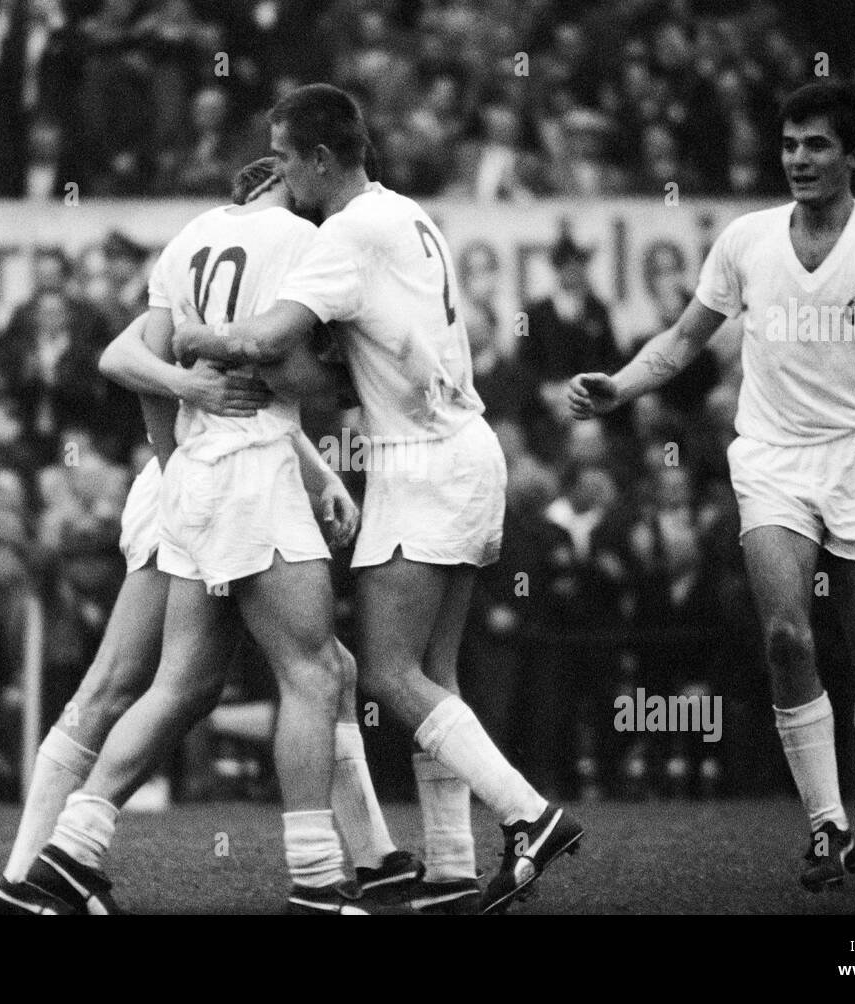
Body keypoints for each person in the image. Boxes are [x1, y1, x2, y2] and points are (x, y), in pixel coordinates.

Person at [174, 84, 584, 915]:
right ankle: (451, 870)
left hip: (420, 460)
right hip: (468, 449)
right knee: (435, 674)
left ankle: (530, 817)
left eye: (287, 157)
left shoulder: (347, 234)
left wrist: (191, 339)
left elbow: (264, 340)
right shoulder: (405, 212)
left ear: (322, 159)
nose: (282, 174)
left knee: (391, 672)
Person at [569, 80, 855, 891]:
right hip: (772, 459)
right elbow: (682, 344)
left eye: (817, 145)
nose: (799, 159)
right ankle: (826, 826)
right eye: (789, 145)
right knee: (786, 637)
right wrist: (620, 385)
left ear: (853, 154)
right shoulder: (747, 241)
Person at [0, 159, 414, 916]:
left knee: (205, 681)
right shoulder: (300, 243)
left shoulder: (195, 239)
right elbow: (253, 372)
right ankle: (317, 878)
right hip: (229, 477)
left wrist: (194, 437)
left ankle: (62, 860)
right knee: (268, 674)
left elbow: (161, 362)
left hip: (195, 471)